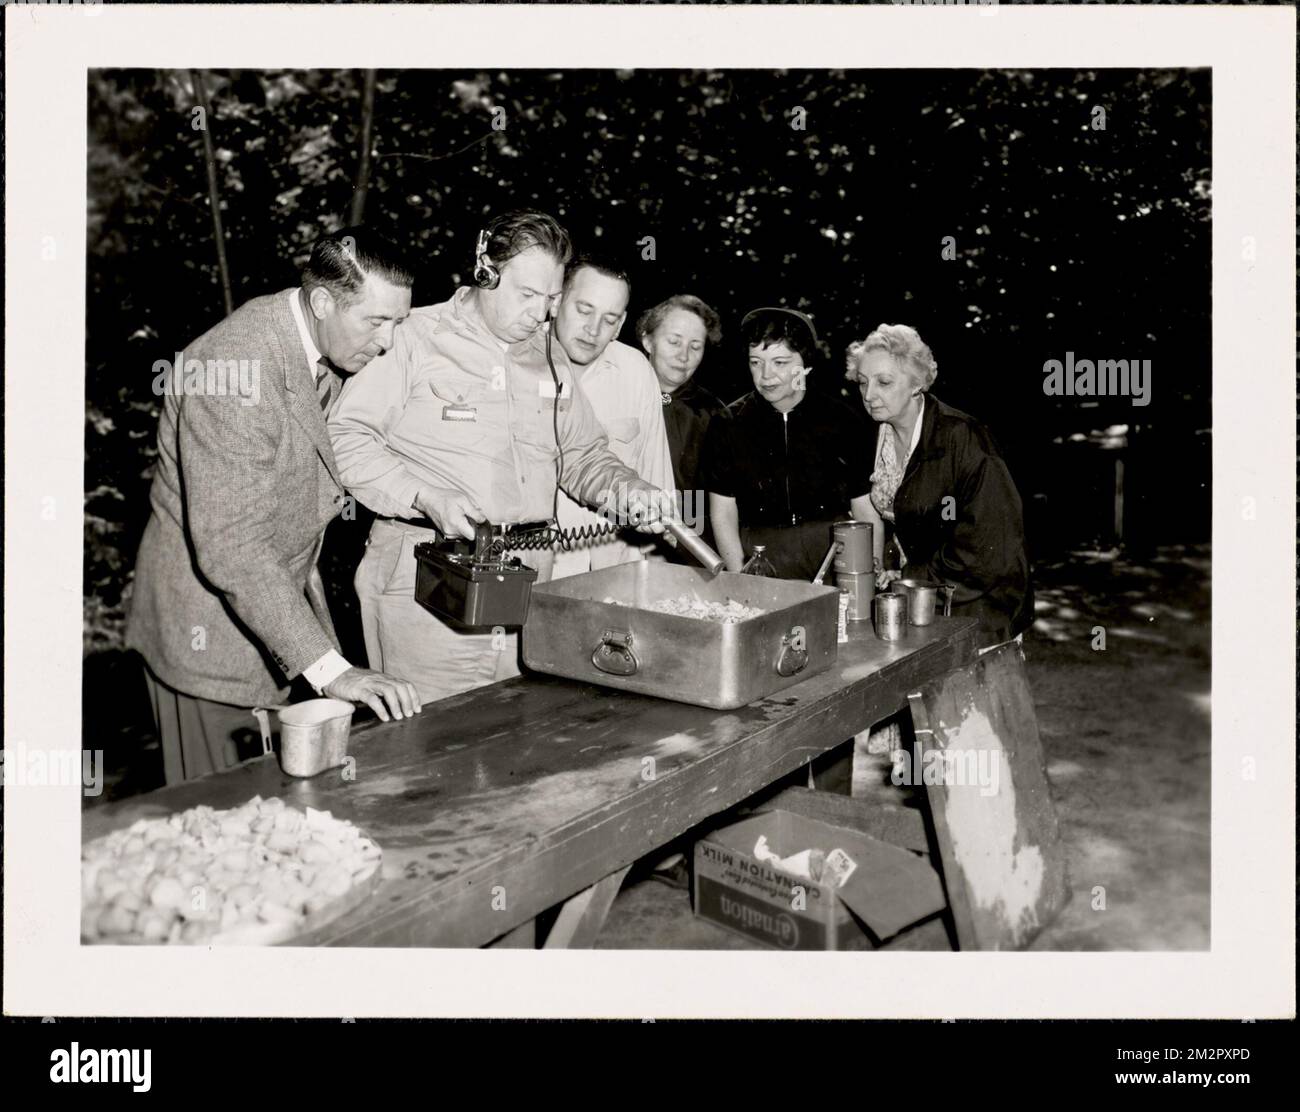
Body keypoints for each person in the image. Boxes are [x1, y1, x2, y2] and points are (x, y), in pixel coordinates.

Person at [328, 210, 676, 703]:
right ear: (485, 272)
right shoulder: (413, 338)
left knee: (510, 741)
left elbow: (583, 454)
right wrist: (425, 495)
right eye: (529, 295)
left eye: (553, 299)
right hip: (429, 586)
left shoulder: (550, 358)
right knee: (431, 751)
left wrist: (629, 490)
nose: (543, 314)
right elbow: (344, 437)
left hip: (524, 588)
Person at [126, 227, 423, 785]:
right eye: (376, 322)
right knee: (217, 829)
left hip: (275, 619)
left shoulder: (319, 341)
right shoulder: (231, 372)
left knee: (274, 810)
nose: (387, 343)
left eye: (398, 323)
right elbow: (233, 548)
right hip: (210, 642)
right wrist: (333, 671)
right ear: (321, 302)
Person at [846, 323, 1033, 646]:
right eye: (863, 382)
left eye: (884, 382)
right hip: (919, 593)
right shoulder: (874, 434)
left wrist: (913, 576)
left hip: (979, 600)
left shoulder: (963, 437)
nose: (869, 395)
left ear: (916, 383)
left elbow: (990, 545)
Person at [702, 307, 875, 579]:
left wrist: (868, 575)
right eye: (756, 362)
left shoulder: (844, 420)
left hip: (831, 555)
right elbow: (723, 511)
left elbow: (864, 507)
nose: (766, 375)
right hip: (759, 554)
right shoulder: (727, 423)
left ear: (804, 364)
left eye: (780, 363)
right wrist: (739, 578)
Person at [549, 255, 676, 577]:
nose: (593, 330)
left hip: (617, 569)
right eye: (584, 310)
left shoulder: (635, 371)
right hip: (538, 569)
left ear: (620, 324)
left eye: (609, 319)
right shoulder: (521, 362)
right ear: (556, 301)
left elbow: (656, 478)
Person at [636, 294, 729, 554]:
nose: (683, 355)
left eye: (695, 346)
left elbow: (715, 502)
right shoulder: (616, 391)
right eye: (674, 341)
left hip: (685, 548)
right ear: (648, 340)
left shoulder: (713, 414)